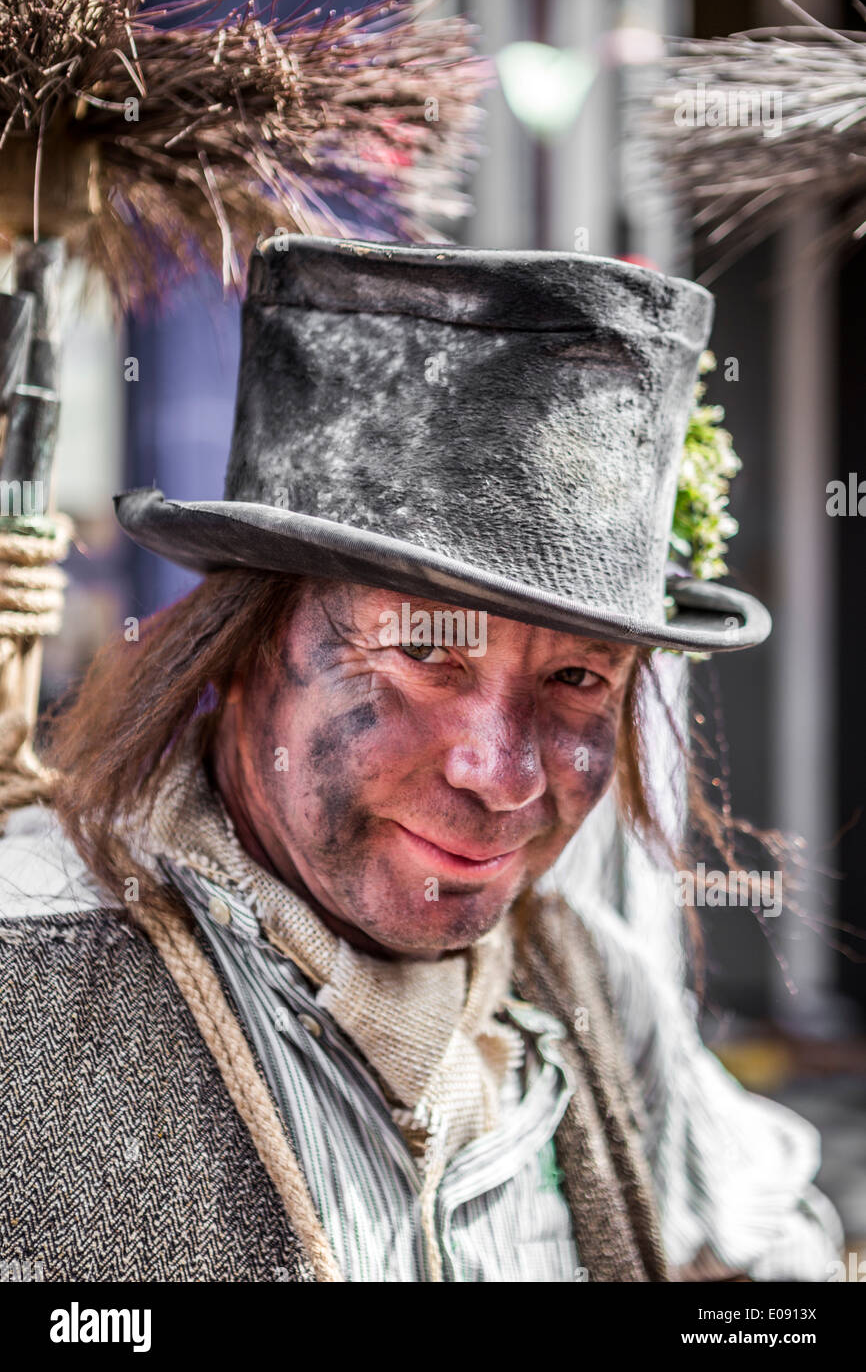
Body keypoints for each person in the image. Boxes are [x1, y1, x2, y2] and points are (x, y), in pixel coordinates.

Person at [0, 237, 843, 1282]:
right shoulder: (25, 978)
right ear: (249, 640)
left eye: (578, 680)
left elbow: (776, 1248)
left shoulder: (582, 978)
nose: (503, 774)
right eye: (425, 654)